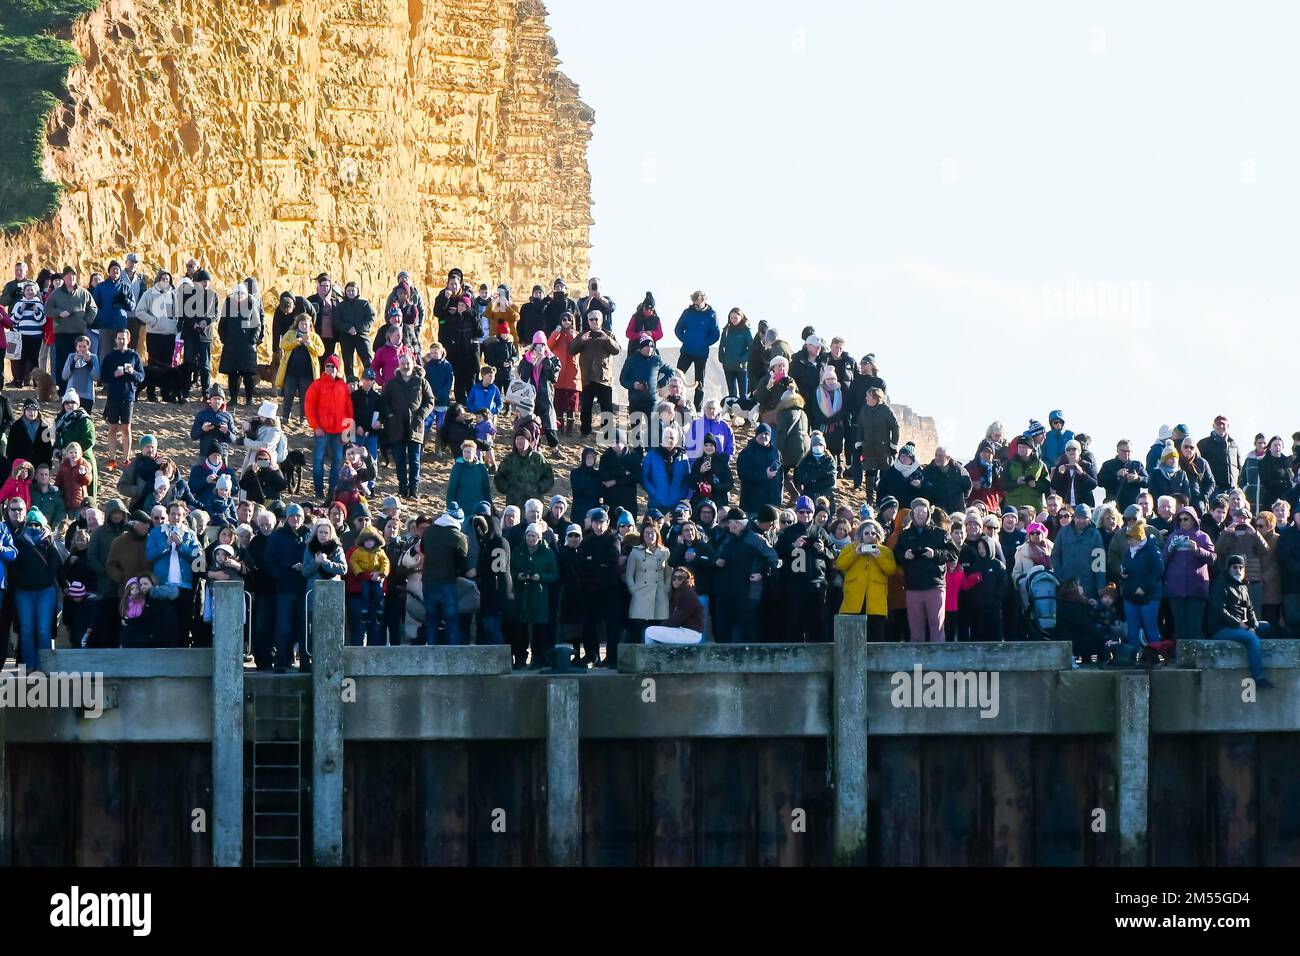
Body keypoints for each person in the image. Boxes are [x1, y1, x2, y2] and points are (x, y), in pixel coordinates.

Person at [1207, 555, 1274, 689]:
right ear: (1229, 568)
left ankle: (1253, 647)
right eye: (1235, 567)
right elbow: (1220, 611)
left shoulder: (1243, 586)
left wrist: (1253, 626)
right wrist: (1240, 625)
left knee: (1266, 626)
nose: (1238, 570)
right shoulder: (1220, 584)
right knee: (1251, 639)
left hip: (1241, 627)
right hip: (1222, 629)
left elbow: (1250, 610)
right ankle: (1259, 677)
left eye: (1241, 567)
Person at [380, 351, 435, 498]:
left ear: (413, 363)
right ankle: (402, 488)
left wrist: (421, 415)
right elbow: (383, 401)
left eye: (408, 363)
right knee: (399, 461)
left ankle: (414, 489)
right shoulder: (391, 383)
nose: (405, 366)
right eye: (403, 363)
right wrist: (390, 414)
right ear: (399, 364)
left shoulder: (421, 381)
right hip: (397, 426)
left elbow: (430, 401)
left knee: (415, 460)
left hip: (415, 426)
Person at [835, 519, 896, 640]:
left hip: (876, 605)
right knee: (851, 640)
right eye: (866, 533)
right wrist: (855, 553)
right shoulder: (850, 548)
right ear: (861, 534)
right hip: (852, 603)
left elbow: (891, 570)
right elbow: (840, 565)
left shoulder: (885, 551)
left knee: (875, 640)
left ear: (878, 535)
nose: (870, 536)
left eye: (873, 533)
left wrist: (878, 557)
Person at [1163, 505, 1216, 640]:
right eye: (1180, 520)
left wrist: (1198, 550)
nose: (1182, 522)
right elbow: (1163, 561)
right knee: (1179, 627)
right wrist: (1170, 548)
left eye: (1186, 519)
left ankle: (1196, 658)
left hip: (1196, 589)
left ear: (1193, 520)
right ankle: (1180, 657)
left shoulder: (1203, 537)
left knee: (1195, 627)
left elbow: (1213, 558)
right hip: (1175, 589)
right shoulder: (1172, 536)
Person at [305, 355, 353, 498]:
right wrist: (315, 426)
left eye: (333, 366)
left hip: (339, 431)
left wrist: (347, 432)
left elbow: (349, 410)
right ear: (324, 368)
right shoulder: (317, 384)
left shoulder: (343, 386)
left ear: (337, 369)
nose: (330, 369)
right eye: (328, 366)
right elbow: (309, 406)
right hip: (322, 431)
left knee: (337, 461)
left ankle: (332, 490)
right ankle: (318, 491)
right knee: (318, 459)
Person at [569, 311, 621, 438]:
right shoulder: (583, 335)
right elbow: (571, 350)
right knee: (586, 406)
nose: (594, 322)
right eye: (591, 319)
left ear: (602, 320)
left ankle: (608, 433)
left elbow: (617, 350)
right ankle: (585, 431)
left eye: (596, 319)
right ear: (588, 321)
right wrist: (581, 340)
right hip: (587, 377)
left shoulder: (608, 334)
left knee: (606, 407)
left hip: (603, 378)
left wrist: (607, 340)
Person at [47, 266, 98, 395]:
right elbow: (47, 309)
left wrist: (87, 320)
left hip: (79, 334)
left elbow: (93, 308)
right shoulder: (56, 293)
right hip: (62, 333)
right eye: (69, 276)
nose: (71, 279)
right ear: (64, 278)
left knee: (80, 360)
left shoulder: (83, 292)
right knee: (62, 362)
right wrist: (58, 313)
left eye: (74, 276)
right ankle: (63, 390)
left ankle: (77, 390)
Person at [1119, 518, 1164, 649]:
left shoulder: (1152, 550)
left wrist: (1144, 587)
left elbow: (1158, 570)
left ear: (1139, 538)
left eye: (1131, 539)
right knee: (1132, 629)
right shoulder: (1129, 552)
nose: (1129, 542)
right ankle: (1132, 657)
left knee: (1151, 628)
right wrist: (1123, 574)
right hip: (1130, 596)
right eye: (1128, 539)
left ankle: (1155, 655)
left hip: (1149, 596)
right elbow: (1127, 567)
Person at [217, 282, 263, 406]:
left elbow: (257, 324)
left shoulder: (250, 304)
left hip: (247, 346)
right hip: (231, 345)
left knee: (248, 374)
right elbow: (222, 324)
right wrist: (224, 339)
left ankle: (249, 399)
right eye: (237, 293)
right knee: (232, 374)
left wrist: (253, 340)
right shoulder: (228, 305)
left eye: (241, 293)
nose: (239, 296)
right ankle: (233, 398)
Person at [673, 291, 719, 413]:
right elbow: (678, 329)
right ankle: (675, 404)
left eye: (698, 304)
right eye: (694, 304)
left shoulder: (711, 314)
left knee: (699, 382)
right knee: (677, 378)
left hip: (701, 353)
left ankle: (696, 410)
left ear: (704, 301)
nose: (696, 306)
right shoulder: (687, 312)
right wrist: (685, 340)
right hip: (687, 351)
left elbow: (715, 334)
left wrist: (704, 343)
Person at [625, 522, 671, 644]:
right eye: (647, 533)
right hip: (641, 593)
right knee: (636, 627)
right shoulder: (635, 552)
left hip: (659, 594)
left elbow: (668, 574)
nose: (650, 536)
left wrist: (666, 589)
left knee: (657, 629)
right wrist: (634, 590)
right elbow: (629, 574)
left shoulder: (665, 552)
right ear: (642, 535)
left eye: (653, 533)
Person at [277, 313, 325, 426]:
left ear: (310, 325)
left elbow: (321, 351)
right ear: (297, 324)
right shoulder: (290, 333)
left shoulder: (314, 336)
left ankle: (303, 418)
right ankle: (285, 416)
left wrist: (310, 345)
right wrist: (295, 342)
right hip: (291, 372)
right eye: (302, 324)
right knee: (288, 395)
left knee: (305, 397)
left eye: (306, 324)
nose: (304, 326)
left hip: (307, 374)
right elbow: (282, 344)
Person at [177, 269, 218, 395]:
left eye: (207, 281)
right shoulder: (188, 294)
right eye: (203, 281)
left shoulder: (213, 295)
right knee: (188, 364)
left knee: (205, 366)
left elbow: (216, 313)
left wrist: (207, 321)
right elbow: (184, 313)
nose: (206, 284)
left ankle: (206, 393)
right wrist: (193, 323)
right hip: (190, 334)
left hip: (205, 335)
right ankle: (185, 392)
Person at [1053, 503, 1106, 599]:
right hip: (1066, 584)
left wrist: (1100, 585)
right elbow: (1055, 556)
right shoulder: (1063, 532)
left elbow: (1099, 562)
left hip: (1088, 585)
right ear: (1074, 517)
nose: (1081, 521)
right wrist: (1059, 575)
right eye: (1078, 517)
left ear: (1089, 519)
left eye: (1085, 518)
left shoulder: (1095, 534)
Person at [854, 387, 898, 503]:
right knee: (869, 473)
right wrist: (858, 443)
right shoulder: (864, 410)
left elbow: (895, 427)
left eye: (868, 395)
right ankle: (869, 498)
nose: (866, 398)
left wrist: (894, 445)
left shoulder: (886, 411)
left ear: (875, 397)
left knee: (884, 475)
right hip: (868, 448)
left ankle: (882, 499)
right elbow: (860, 428)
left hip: (884, 449)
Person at [643, 566, 706, 645]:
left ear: (686, 580)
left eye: (680, 578)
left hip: (691, 633)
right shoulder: (676, 593)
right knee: (653, 633)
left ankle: (652, 656)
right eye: (674, 578)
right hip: (681, 631)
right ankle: (659, 655)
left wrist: (662, 627)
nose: (676, 580)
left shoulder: (688, 593)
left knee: (649, 631)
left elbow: (678, 617)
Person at [495, 431, 555, 512]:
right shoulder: (509, 459)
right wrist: (508, 488)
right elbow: (499, 477)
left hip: (534, 505)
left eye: (522, 439)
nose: (519, 441)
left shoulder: (538, 458)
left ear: (529, 441)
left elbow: (549, 476)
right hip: (514, 503)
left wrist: (539, 488)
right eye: (517, 439)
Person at [718, 308, 753, 403]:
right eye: (731, 317)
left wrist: (743, 359)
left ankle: (746, 416)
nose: (733, 320)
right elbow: (721, 345)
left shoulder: (746, 330)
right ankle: (732, 416)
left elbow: (751, 348)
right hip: (728, 366)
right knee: (732, 394)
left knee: (743, 395)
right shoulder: (726, 330)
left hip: (742, 368)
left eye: (735, 317)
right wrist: (722, 358)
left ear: (741, 317)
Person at [795, 431, 837, 508]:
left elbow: (831, 479)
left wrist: (815, 481)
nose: (817, 446)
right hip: (809, 493)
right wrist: (812, 480)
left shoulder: (830, 460)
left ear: (824, 446)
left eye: (820, 444)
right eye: (815, 444)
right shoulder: (805, 460)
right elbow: (799, 477)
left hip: (825, 494)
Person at [60, 335, 100, 411]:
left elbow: (96, 377)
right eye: (80, 346)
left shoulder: (93, 357)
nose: (82, 349)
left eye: (84, 346)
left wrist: (89, 363)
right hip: (71, 397)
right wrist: (74, 362)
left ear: (88, 346)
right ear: (76, 347)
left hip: (87, 396)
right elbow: (64, 376)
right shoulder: (71, 357)